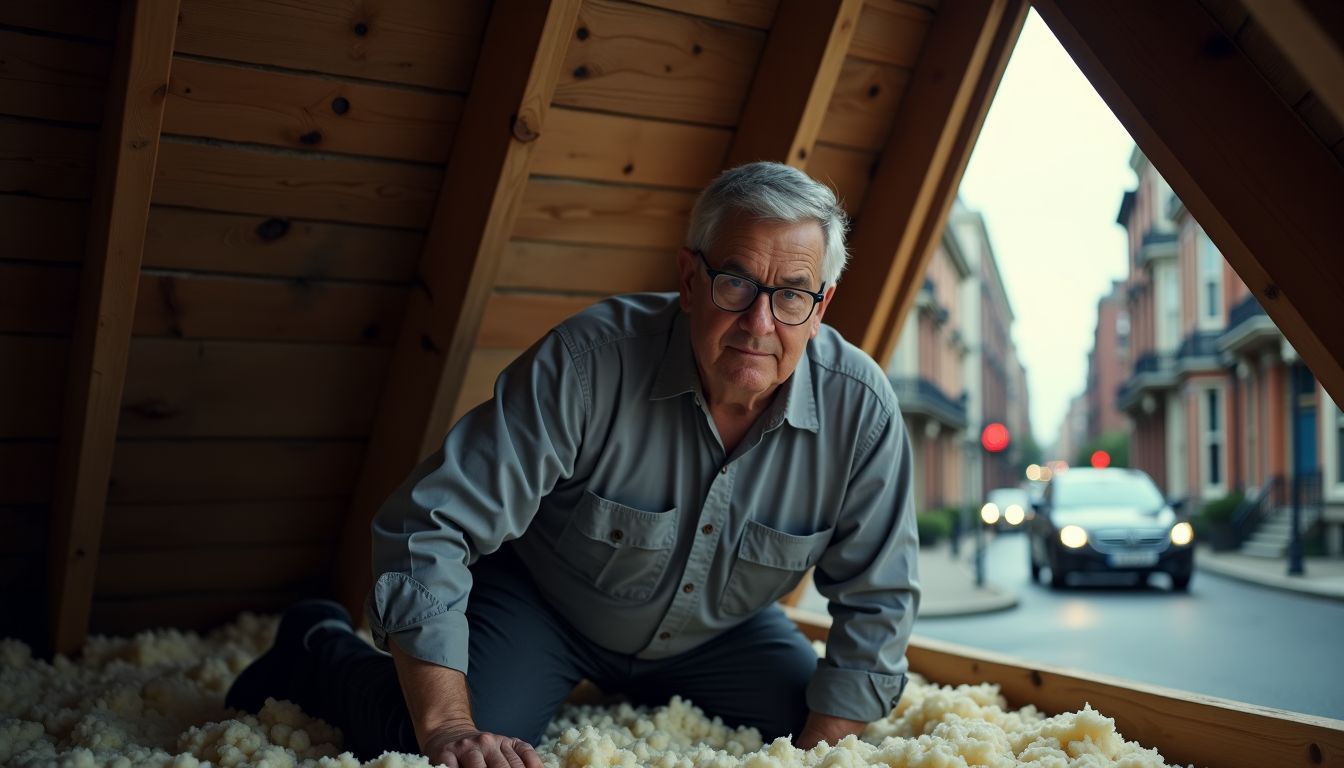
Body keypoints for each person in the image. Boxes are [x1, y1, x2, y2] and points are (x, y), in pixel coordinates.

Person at [227, 162, 921, 766]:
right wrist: (448, 725)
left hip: (720, 633)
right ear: (688, 278)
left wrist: (811, 761)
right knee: (433, 748)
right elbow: (427, 525)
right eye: (734, 284)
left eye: (791, 294)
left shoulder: (861, 408)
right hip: (545, 607)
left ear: (822, 305)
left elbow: (881, 600)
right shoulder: (589, 363)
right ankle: (316, 644)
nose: (759, 324)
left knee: (815, 723)